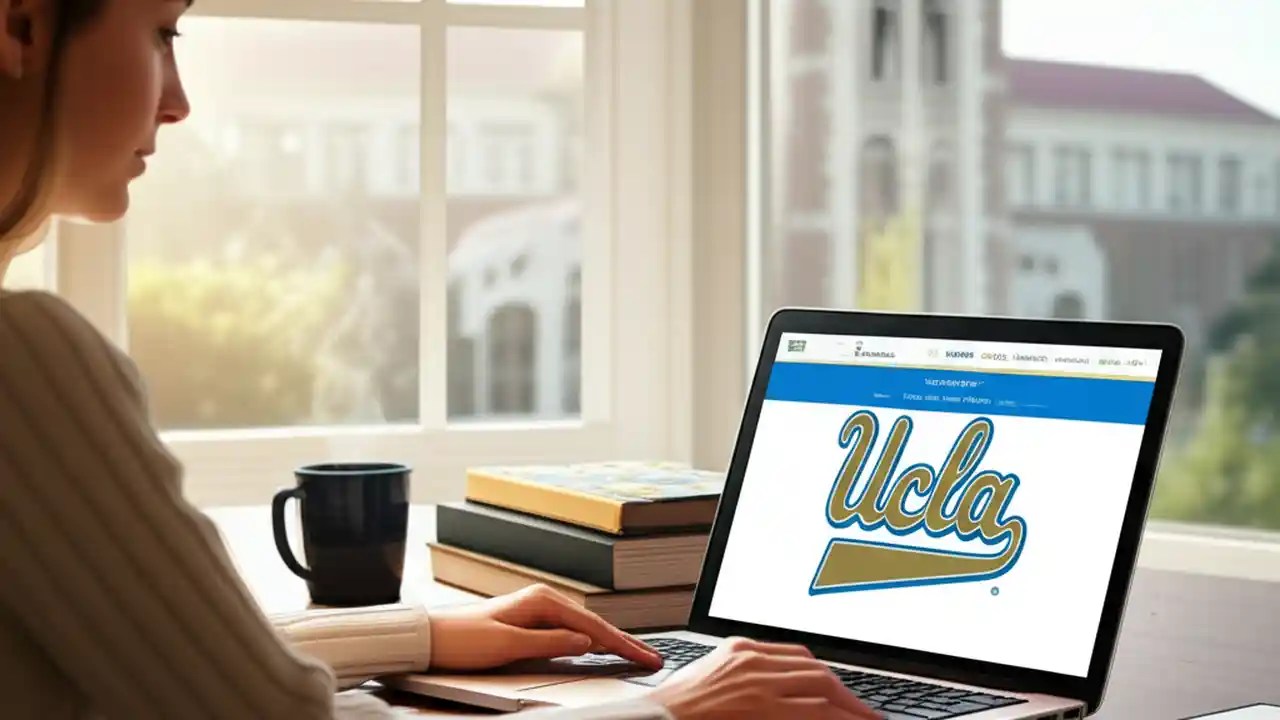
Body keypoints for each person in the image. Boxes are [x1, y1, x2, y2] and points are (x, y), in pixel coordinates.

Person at [0, 1, 881, 718]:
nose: (179, 99)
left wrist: (418, 634)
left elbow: (184, 666)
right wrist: (665, 710)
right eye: (163, 33)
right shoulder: (23, 358)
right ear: (23, 26)